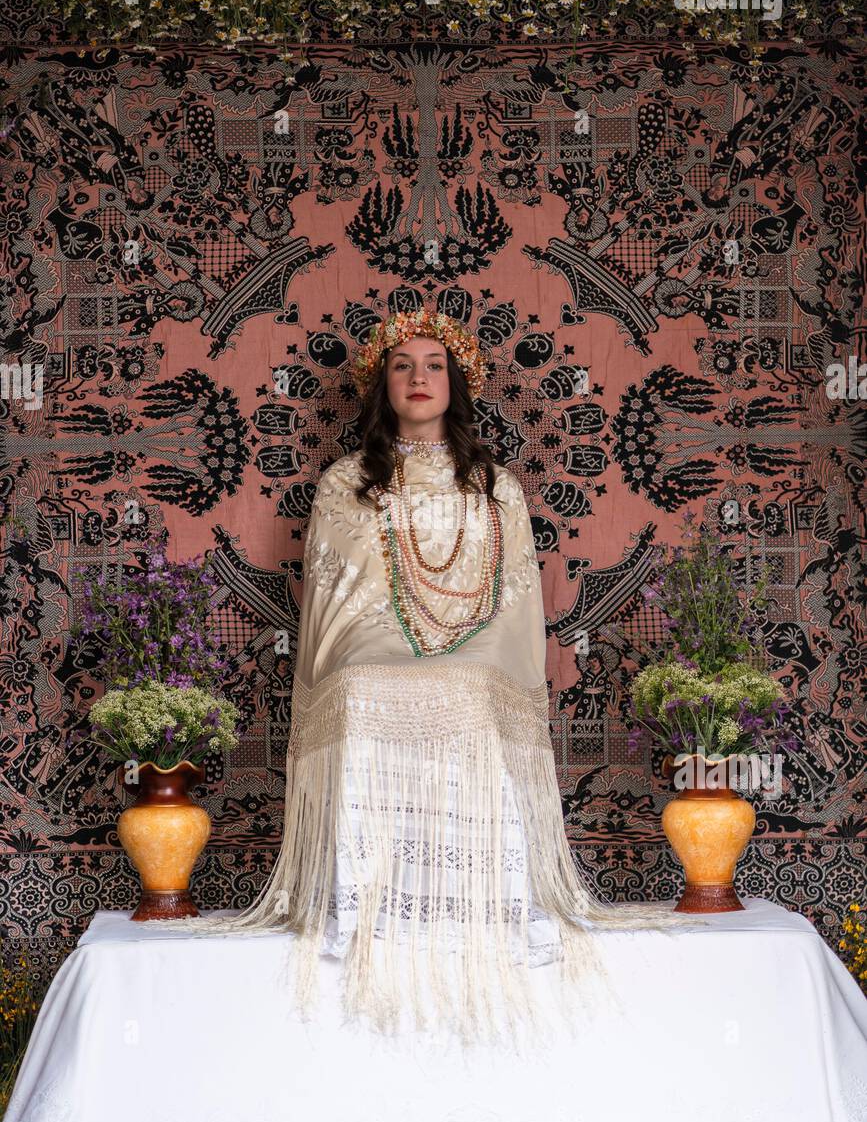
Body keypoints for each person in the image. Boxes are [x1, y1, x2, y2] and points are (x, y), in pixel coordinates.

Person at [141, 308, 709, 1044]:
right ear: (381, 386)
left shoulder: (493, 483)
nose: (418, 378)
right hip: (373, 640)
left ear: (457, 384)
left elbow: (510, 591)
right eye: (402, 366)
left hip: (477, 638)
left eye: (433, 365)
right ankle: (363, 908)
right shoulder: (346, 481)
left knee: (471, 686)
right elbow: (338, 591)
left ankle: (485, 906)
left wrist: (453, 639)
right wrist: (390, 639)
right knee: (359, 684)